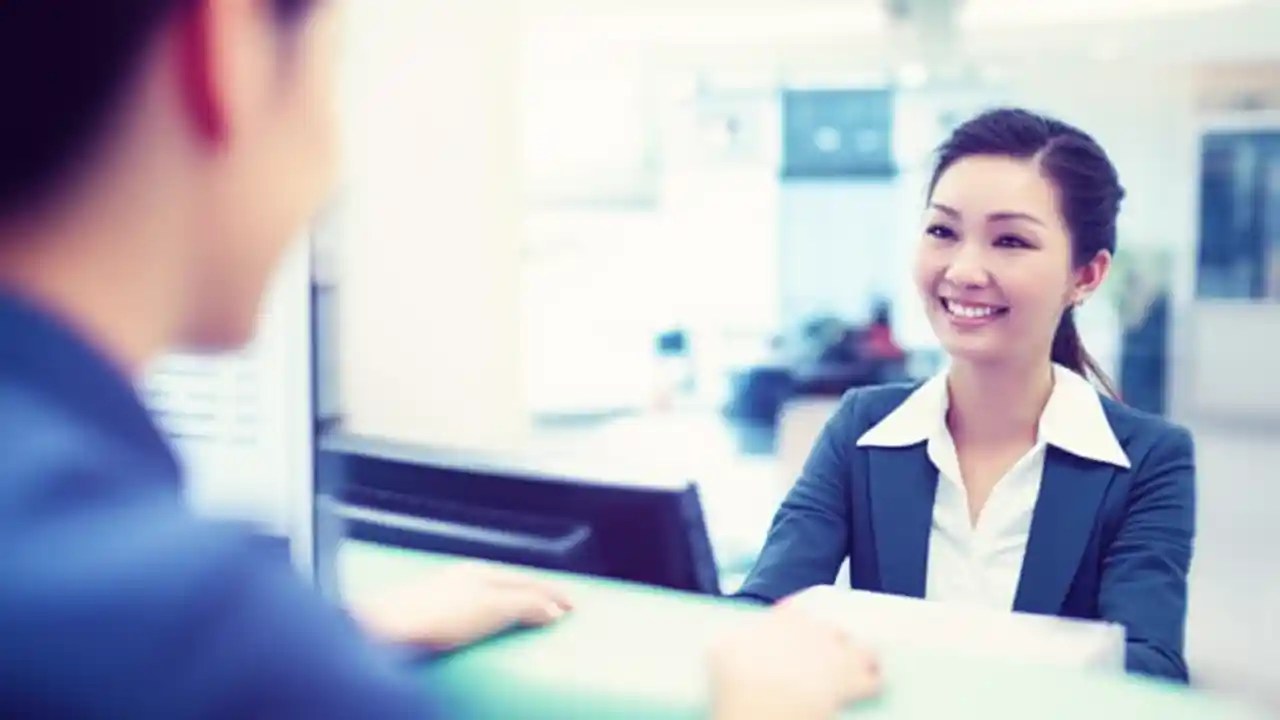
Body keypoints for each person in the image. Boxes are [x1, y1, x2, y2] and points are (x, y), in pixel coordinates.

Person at [0, 1, 878, 717]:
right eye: (329, 70)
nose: (333, 159)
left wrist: (336, 633)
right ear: (223, 50)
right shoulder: (190, 634)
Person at [738, 108, 1196, 683]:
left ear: (1085, 276)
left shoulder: (1148, 459)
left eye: (1010, 240)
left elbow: (1150, 670)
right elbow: (766, 607)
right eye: (942, 231)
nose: (964, 269)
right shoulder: (861, 427)